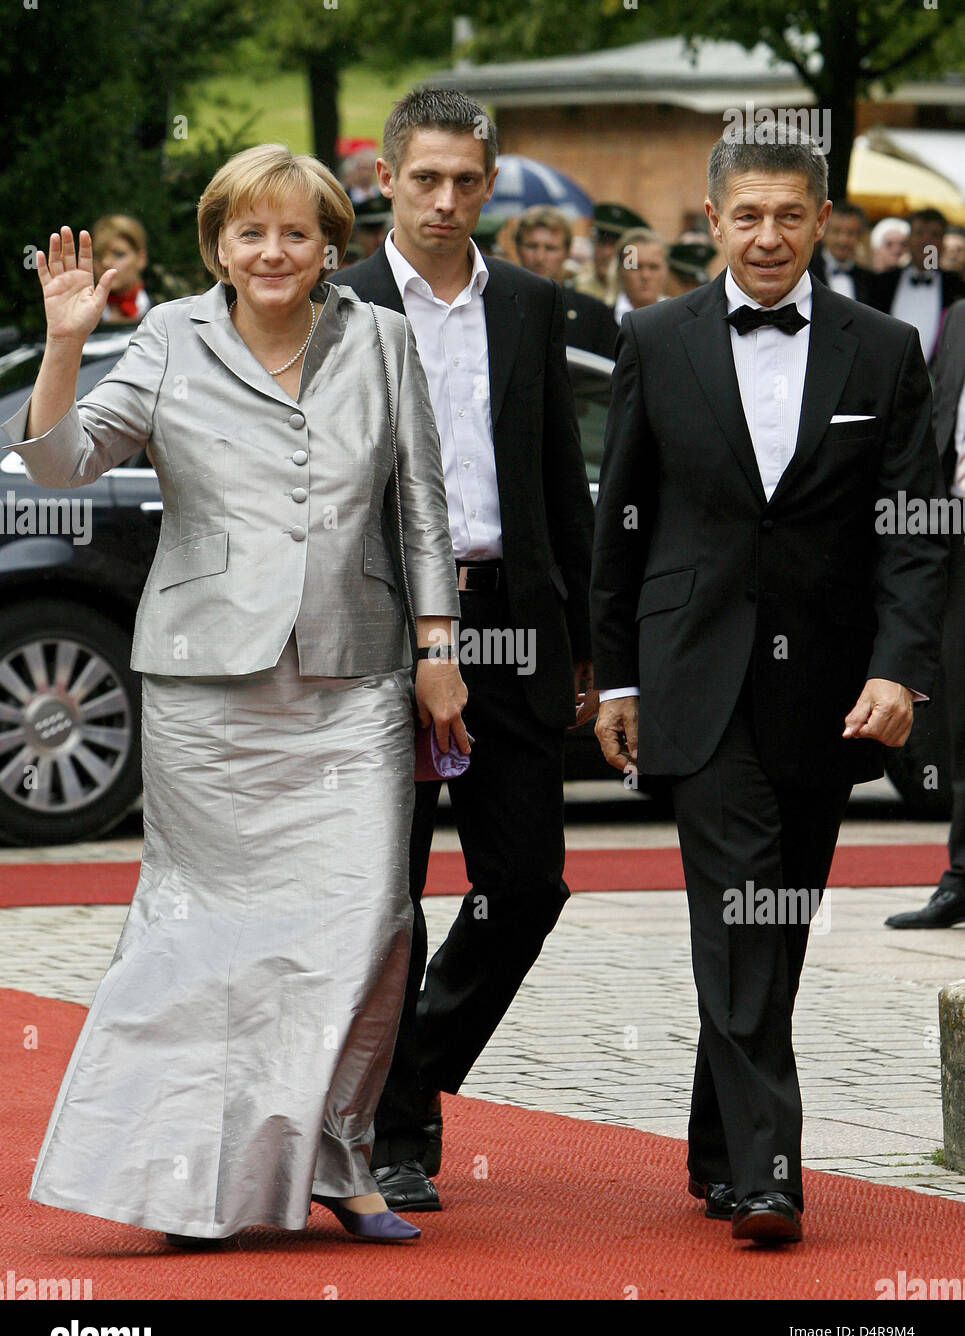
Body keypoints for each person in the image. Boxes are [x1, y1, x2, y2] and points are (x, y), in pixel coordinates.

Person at [2, 143, 467, 1247]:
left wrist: (438, 642)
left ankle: (341, 1153)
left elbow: (421, 503)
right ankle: (181, 1180)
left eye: (295, 232)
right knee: (202, 939)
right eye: (249, 232)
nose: (272, 251)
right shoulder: (168, 336)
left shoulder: (383, 339)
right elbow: (61, 466)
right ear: (217, 245)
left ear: (327, 249)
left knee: (371, 920)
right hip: (209, 689)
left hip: (352, 672)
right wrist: (66, 345)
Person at [590, 124, 947, 1245]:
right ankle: (766, 1171)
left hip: (829, 687)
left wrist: (899, 668)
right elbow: (622, 524)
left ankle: (712, 1142)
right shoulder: (654, 336)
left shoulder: (883, 349)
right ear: (711, 221)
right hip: (695, 674)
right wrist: (614, 683)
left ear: (821, 223)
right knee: (743, 910)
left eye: (788, 215)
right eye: (744, 214)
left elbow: (912, 532)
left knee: (774, 921)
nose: (766, 235)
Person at [328, 87, 596, 1213]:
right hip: (380, 631)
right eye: (423, 177)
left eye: (465, 181)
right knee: (386, 892)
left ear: (488, 186)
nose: (444, 199)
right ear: (387, 177)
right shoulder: (338, 304)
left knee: (525, 887)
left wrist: (589, 643)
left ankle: (411, 1078)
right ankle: (390, 1137)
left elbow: (553, 478)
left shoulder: (532, 304)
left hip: (513, 625)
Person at [886, 297, 965, 930]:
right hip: (957, 533)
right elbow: (938, 420)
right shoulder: (960, 315)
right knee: (959, 715)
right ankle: (963, 876)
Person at [514, 205, 618, 357]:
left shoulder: (595, 315)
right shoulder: (499, 305)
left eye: (550, 248)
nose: (540, 257)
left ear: (567, 252)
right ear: (518, 248)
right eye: (531, 246)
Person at [870, 207, 965, 365]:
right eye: (919, 233)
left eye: (934, 235)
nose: (925, 241)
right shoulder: (882, 283)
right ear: (908, 240)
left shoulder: (956, 287)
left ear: (942, 243)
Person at [573, 202, 648, 305]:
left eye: (616, 245)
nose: (607, 252)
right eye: (602, 242)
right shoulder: (575, 287)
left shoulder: (641, 296)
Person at [807, 201, 876, 304]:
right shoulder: (807, 271)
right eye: (836, 231)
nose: (843, 240)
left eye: (851, 233)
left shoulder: (869, 280)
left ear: (860, 236)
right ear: (823, 232)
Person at [91, 215, 152, 324]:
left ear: (141, 259)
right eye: (98, 255)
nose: (105, 262)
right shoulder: (83, 320)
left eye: (118, 254)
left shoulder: (163, 316)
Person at [612, 228, 669, 322]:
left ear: (666, 271)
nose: (645, 275)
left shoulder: (680, 318)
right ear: (620, 270)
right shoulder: (599, 320)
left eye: (653, 267)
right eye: (636, 267)